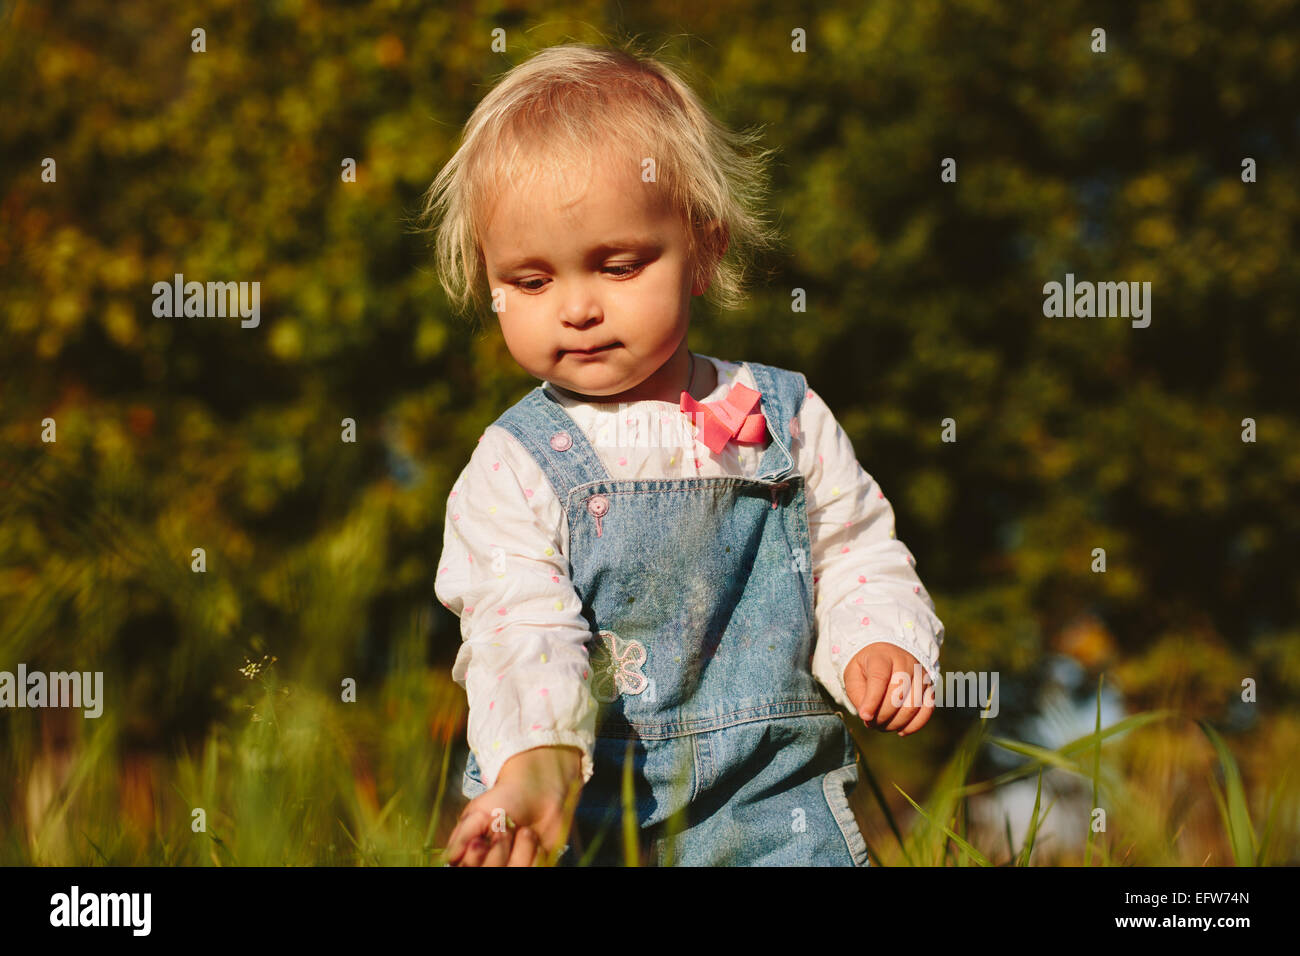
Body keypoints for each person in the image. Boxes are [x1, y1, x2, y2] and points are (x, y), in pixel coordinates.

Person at [425, 41, 944, 866]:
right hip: (588, 808)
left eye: (618, 264)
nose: (577, 308)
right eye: (530, 282)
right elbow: (515, 624)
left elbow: (852, 550)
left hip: (775, 800)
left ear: (703, 249)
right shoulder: (512, 465)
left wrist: (878, 643)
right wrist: (537, 761)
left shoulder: (785, 415)